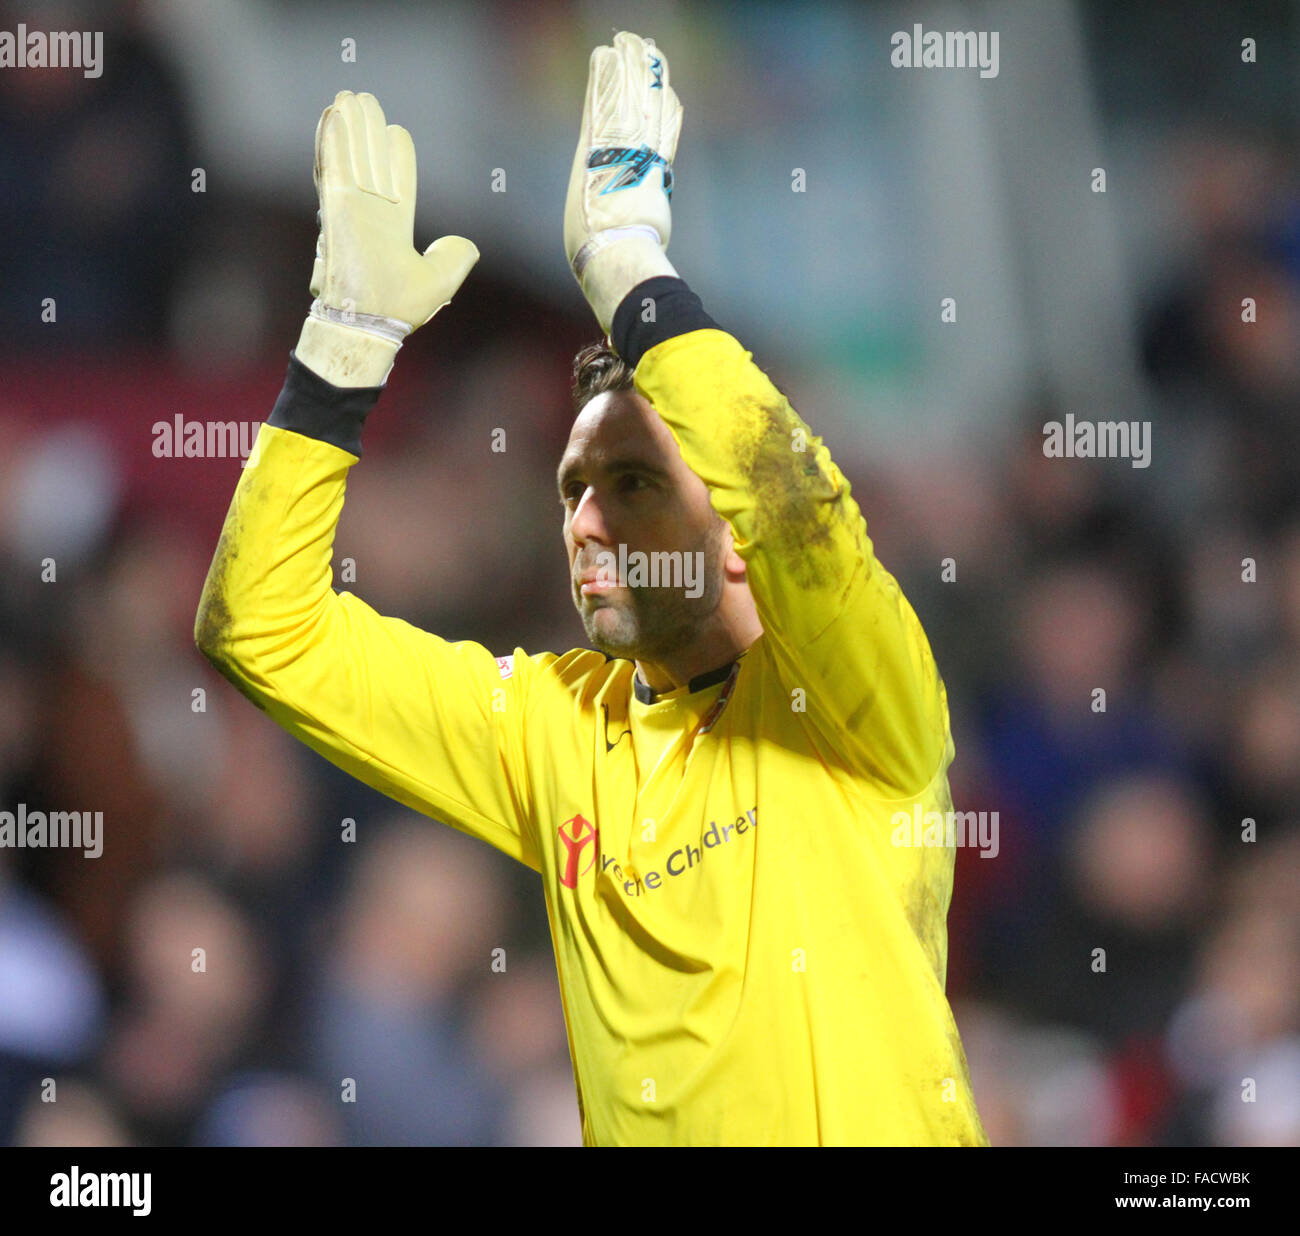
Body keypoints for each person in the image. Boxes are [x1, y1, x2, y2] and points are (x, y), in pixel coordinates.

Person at [195, 31, 988, 1146]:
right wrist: (342, 349)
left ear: (732, 527)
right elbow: (260, 631)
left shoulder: (859, 704)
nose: (584, 521)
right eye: (570, 489)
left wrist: (632, 272)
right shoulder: (554, 727)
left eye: (629, 484)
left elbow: (806, 521)